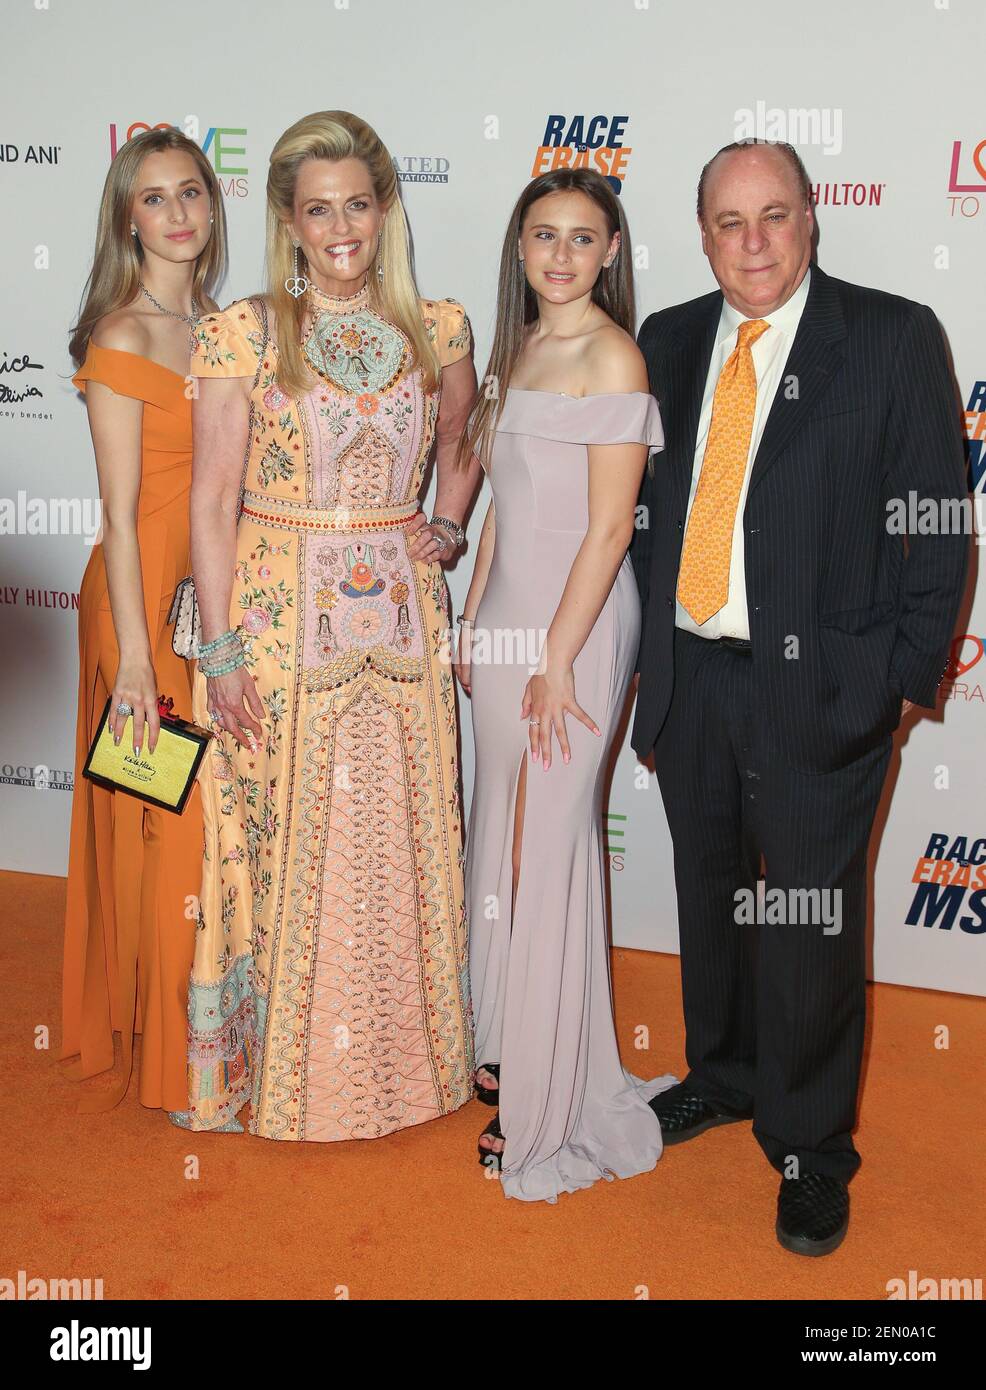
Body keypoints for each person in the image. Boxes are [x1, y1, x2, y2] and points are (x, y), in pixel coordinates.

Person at [629, 139, 969, 1254]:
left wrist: (895, 683)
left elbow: (934, 518)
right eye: (730, 222)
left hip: (820, 692)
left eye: (773, 215)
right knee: (713, 899)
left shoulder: (888, 335)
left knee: (808, 926)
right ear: (702, 235)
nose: (754, 242)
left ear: (811, 217)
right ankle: (721, 1073)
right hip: (690, 682)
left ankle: (809, 1146)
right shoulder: (668, 341)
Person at [173, 110, 481, 1141]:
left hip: (398, 620)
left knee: (397, 836)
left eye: (356, 203)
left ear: (384, 208)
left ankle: (410, 1064)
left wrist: (444, 522)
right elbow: (212, 500)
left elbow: (462, 440)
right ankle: (284, 1076)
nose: (340, 227)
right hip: (272, 617)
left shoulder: (438, 326)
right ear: (288, 221)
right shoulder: (246, 331)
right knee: (277, 839)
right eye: (318, 210)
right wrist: (218, 652)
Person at [456, 168, 676, 1202]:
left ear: (610, 253)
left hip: (576, 626)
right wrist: (469, 617)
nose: (558, 255)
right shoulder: (515, 351)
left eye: (580, 239)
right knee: (497, 821)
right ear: (519, 247)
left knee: (548, 842)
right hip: (504, 613)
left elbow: (604, 526)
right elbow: (501, 501)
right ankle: (502, 1033)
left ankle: (547, 1096)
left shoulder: (610, 355)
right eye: (541, 235)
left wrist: (551, 655)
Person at [61, 128, 225, 1113]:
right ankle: (172, 1065)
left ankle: (182, 1024)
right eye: (155, 197)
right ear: (128, 216)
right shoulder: (120, 336)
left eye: (191, 194)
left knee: (189, 826)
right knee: (171, 818)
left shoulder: (218, 324)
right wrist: (131, 659)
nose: (176, 214)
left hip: (196, 603)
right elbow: (118, 515)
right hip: (133, 609)